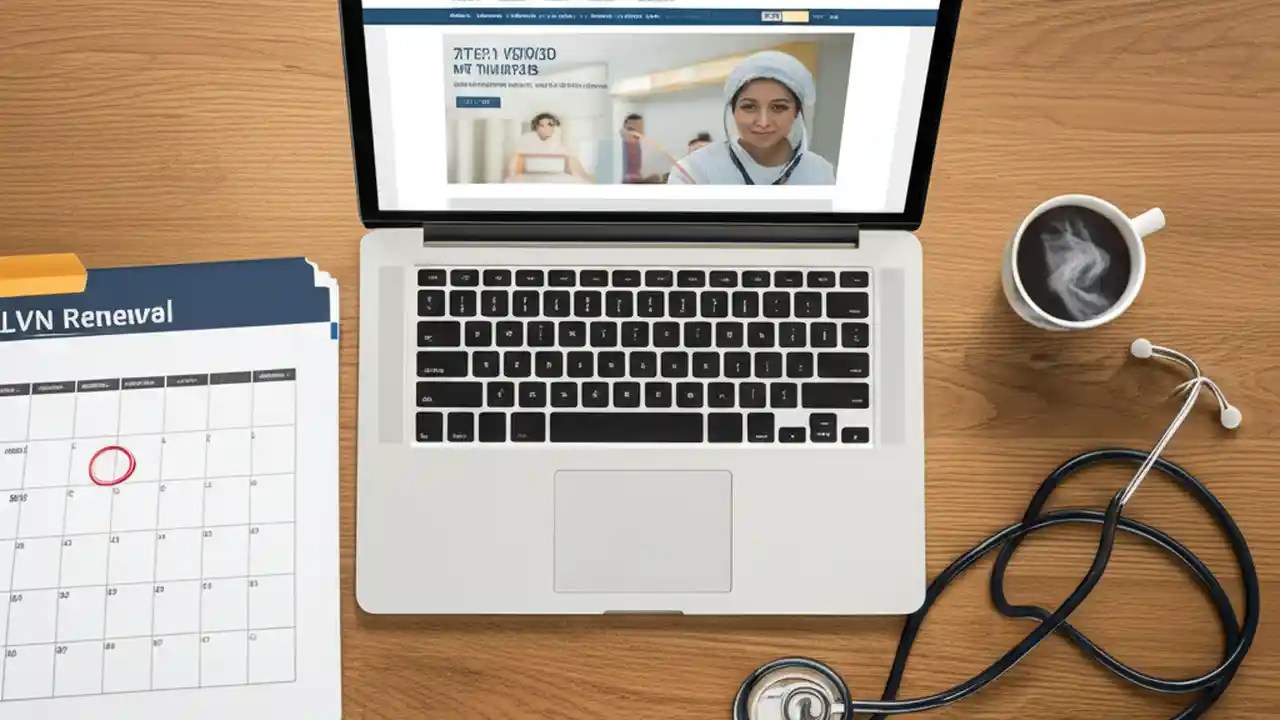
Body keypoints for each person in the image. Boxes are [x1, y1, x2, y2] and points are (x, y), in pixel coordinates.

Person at [667, 51, 836, 185]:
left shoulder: (820, 173)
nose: (763, 122)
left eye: (778, 107)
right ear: (733, 110)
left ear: (796, 112)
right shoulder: (693, 172)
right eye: (749, 107)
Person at [507, 112, 590, 181]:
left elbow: (574, 168)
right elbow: (515, 168)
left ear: (554, 127)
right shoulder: (525, 144)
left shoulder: (562, 148)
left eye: (550, 125)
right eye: (542, 125)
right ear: (536, 128)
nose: (546, 128)